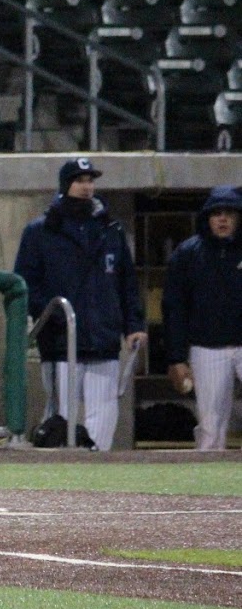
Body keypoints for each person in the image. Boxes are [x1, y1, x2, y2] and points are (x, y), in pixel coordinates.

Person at [14, 157, 146, 451]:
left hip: (103, 337)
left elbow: (126, 282)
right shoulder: (40, 231)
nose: (86, 187)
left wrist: (133, 325)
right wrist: (51, 315)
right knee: (61, 417)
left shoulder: (111, 229)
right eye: (79, 180)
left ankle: (95, 479)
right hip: (61, 341)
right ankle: (58, 481)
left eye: (90, 180)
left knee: (104, 415)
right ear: (65, 185)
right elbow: (24, 284)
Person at [161, 186, 242, 451]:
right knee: (210, 424)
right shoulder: (188, 254)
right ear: (207, 217)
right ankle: (205, 487)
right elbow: (174, 307)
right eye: (216, 213)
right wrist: (176, 357)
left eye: (229, 213)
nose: (222, 219)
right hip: (207, 347)